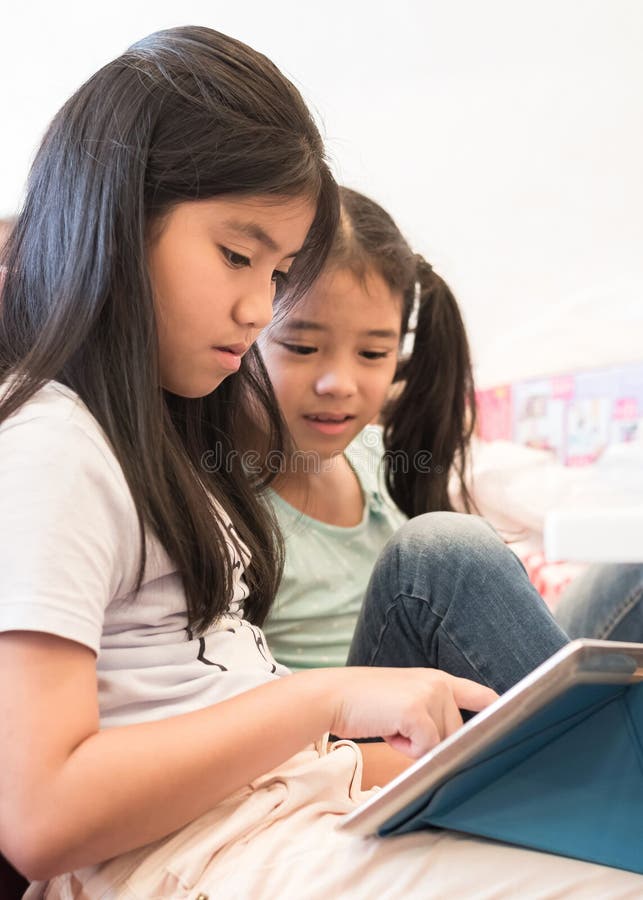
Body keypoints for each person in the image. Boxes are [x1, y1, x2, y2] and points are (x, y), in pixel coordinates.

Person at [0, 26, 639, 899]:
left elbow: (256, 739)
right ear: (115, 215)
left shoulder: (158, 456)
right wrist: (329, 699)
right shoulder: (53, 444)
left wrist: (427, 758)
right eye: (236, 256)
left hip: (301, 804)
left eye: (277, 272)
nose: (252, 305)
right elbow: (40, 817)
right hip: (223, 848)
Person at [260, 188, 566, 688]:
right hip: (350, 741)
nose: (339, 382)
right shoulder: (223, 504)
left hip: (444, 703)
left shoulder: (375, 455)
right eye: (303, 346)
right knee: (444, 552)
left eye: (373, 354)